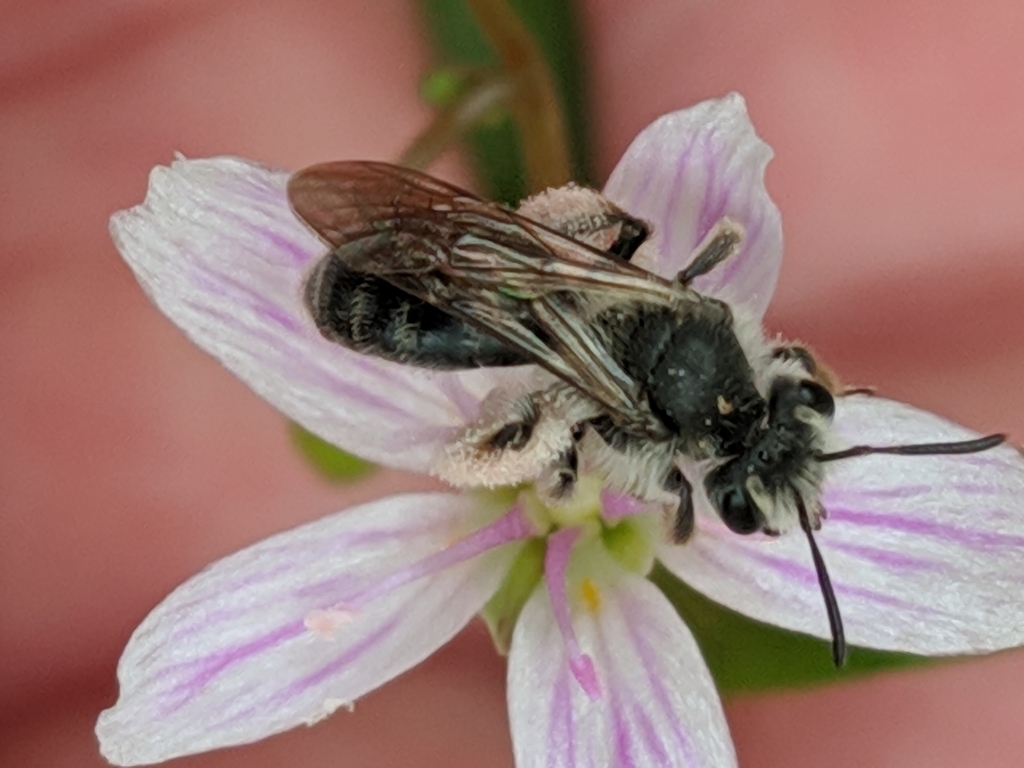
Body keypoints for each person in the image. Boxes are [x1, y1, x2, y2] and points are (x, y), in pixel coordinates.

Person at [3, 2, 1023, 765]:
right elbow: (706, 182)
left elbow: (705, 206)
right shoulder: (651, 447)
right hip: (453, 341)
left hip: (516, 284)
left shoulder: (696, 314)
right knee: (547, 414)